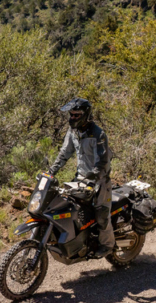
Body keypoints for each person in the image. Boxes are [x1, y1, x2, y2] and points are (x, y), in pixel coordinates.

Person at [48, 98, 115, 258]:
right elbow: (64, 153)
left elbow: (102, 159)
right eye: (71, 115)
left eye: (76, 115)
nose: (72, 118)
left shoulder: (99, 134)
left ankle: (107, 245)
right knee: (69, 208)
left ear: (86, 115)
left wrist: (95, 173)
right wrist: (51, 171)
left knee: (101, 215)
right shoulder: (73, 132)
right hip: (81, 178)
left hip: (99, 181)